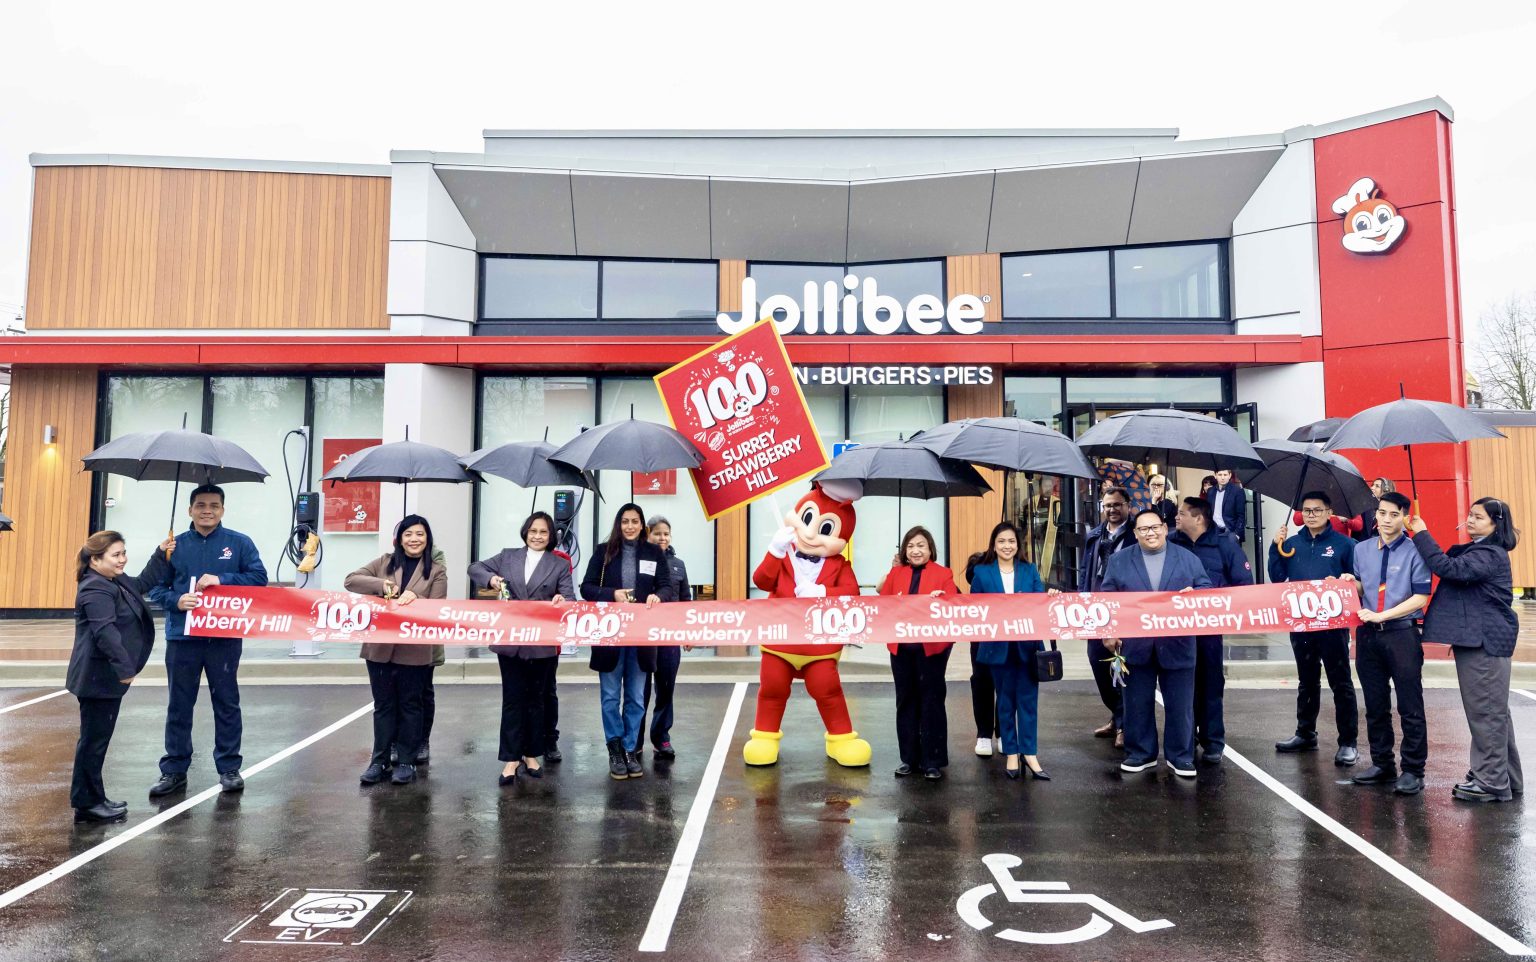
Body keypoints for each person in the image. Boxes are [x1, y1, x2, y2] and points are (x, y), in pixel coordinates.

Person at [146, 484, 268, 797]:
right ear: (190, 510)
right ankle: (174, 770)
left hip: (223, 637)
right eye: (201, 505)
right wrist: (176, 600)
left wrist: (222, 580)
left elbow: (258, 579)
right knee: (179, 704)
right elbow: (155, 588)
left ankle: (229, 767)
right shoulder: (173, 546)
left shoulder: (239, 543)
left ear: (223, 510)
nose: (207, 511)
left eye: (214, 505)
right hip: (182, 637)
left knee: (226, 702)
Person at [1410, 499, 1522, 802]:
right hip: (1481, 641)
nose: (1469, 520)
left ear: (1494, 524)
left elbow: (1450, 569)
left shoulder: (1490, 554)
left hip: (1484, 642)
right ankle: (1506, 777)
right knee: (1494, 713)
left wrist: (1421, 533)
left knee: (1485, 713)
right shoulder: (1480, 551)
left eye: (1478, 517)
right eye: (1469, 515)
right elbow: (1452, 561)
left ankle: (1490, 783)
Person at [1098, 509, 1212, 777]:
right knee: (1136, 703)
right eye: (1143, 529)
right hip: (1135, 645)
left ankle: (1181, 756)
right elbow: (1107, 599)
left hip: (1178, 643)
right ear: (1135, 533)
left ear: (1165, 528)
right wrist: (1108, 632)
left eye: (1155, 527)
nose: (1150, 533)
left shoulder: (1188, 558)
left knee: (1181, 705)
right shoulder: (1119, 560)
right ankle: (1140, 753)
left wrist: (1195, 594)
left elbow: (1207, 591)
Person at [68, 531, 173, 823]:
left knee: (96, 740)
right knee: (93, 742)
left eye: (124, 552)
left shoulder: (114, 580)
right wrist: (125, 669)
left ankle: (93, 797)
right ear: (94, 559)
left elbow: (141, 584)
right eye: (116, 555)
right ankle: (87, 805)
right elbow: (105, 632)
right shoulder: (95, 589)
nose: (122, 559)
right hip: (98, 678)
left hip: (106, 678)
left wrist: (160, 553)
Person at [469, 511, 572, 786]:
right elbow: (475, 567)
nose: (537, 536)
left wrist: (562, 599)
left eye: (544, 532)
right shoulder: (507, 556)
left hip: (542, 643)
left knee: (536, 701)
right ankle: (511, 758)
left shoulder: (559, 565)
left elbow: (570, 597)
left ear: (551, 537)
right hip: (511, 641)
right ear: (525, 531)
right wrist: (491, 580)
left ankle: (531, 754)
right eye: (533, 531)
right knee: (513, 700)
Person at [345, 515, 446, 786]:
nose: (414, 539)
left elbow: (437, 607)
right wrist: (382, 585)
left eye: (420, 534)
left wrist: (418, 598)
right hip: (379, 646)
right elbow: (351, 580)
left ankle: (406, 761)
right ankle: (378, 761)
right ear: (400, 538)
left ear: (428, 539)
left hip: (414, 647)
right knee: (384, 705)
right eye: (409, 534)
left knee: (411, 705)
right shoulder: (384, 562)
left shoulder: (436, 570)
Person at [1345, 491, 1431, 795]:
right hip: (1368, 636)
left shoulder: (1416, 550)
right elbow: (1362, 585)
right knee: (1375, 704)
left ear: (1405, 517)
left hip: (1401, 634)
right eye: (1382, 513)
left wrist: (1383, 614)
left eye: (1394, 514)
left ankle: (1413, 770)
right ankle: (1382, 763)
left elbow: (1420, 597)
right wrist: (1347, 582)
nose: (1386, 519)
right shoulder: (1361, 549)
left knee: (1409, 704)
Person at [581, 503, 674, 779]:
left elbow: (667, 586)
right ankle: (615, 748)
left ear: (642, 525)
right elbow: (586, 588)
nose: (630, 526)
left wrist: (660, 596)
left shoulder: (654, 552)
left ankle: (631, 749)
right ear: (618, 524)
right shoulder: (604, 551)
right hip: (610, 635)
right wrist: (612, 595)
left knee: (635, 697)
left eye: (635, 521)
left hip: (641, 636)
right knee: (610, 697)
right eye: (625, 521)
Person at [1268, 491, 1360, 765]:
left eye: (1317, 510)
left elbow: (1357, 580)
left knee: (1340, 682)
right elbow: (1277, 576)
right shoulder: (1292, 542)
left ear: (1329, 512)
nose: (1311, 515)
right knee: (1307, 681)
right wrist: (1276, 546)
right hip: (1301, 625)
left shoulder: (1345, 544)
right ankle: (1305, 733)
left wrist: (1346, 580)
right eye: (1307, 510)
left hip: (1333, 626)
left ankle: (1348, 742)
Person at [1169, 496, 1253, 764]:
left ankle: (1213, 741)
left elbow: (1243, 585)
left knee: (1211, 684)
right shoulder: (1171, 542)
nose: (1176, 517)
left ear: (1198, 518)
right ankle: (1185, 737)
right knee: (1180, 686)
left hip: (1209, 631)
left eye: (1181, 513)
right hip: (1175, 628)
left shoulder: (1225, 545)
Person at [971, 523, 1050, 781]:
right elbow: (975, 610)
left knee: (1028, 702)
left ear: (1018, 545)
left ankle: (1030, 753)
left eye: (1012, 541)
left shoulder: (1029, 570)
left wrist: (1050, 596)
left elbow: (1040, 602)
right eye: (1002, 541)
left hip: (1027, 645)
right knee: (1004, 702)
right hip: (997, 647)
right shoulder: (982, 573)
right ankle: (1012, 753)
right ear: (994, 544)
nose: (1007, 546)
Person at [878, 526, 959, 780]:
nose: (916, 550)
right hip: (901, 648)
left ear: (930, 548)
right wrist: (891, 570)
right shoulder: (896, 573)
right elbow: (882, 596)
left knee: (932, 701)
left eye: (921, 545)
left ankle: (932, 760)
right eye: (911, 546)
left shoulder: (943, 573)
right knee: (905, 700)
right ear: (904, 550)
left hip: (931, 649)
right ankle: (909, 759)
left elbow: (954, 600)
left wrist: (941, 598)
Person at [1079, 485, 1133, 748]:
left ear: (1128, 506)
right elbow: (1084, 570)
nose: (1112, 509)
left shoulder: (1136, 535)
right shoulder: (1094, 535)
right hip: (1094, 608)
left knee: (1121, 666)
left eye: (1117, 504)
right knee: (1098, 662)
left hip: (1123, 608)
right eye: (1108, 505)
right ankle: (1117, 715)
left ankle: (1125, 724)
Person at [635, 515, 690, 761]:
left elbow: (686, 601)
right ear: (647, 535)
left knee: (665, 689)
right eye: (657, 533)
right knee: (640, 691)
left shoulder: (678, 564)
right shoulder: (638, 560)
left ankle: (661, 737)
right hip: (643, 636)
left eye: (666, 533)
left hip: (669, 637)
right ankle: (634, 740)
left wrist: (689, 632)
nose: (662, 538)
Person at [964, 551, 1000, 757]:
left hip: (1006, 635)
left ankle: (1004, 733)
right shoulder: (979, 578)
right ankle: (984, 735)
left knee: (1005, 684)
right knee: (982, 682)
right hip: (981, 637)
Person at [1353, 478, 1396, 542]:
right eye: (1372, 485)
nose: (1372, 488)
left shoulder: (1394, 511)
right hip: (1363, 547)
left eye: (1377, 486)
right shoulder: (1362, 506)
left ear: (1386, 490)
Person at [1209, 469, 1246, 540]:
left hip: (1230, 531)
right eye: (1220, 475)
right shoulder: (1211, 491)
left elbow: (1241, 515)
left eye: (1225, 475)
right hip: (1213, 531)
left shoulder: (1237, 491)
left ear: (1230, 475)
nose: (1222, 478)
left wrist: (1237, 534)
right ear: (1215, 475)